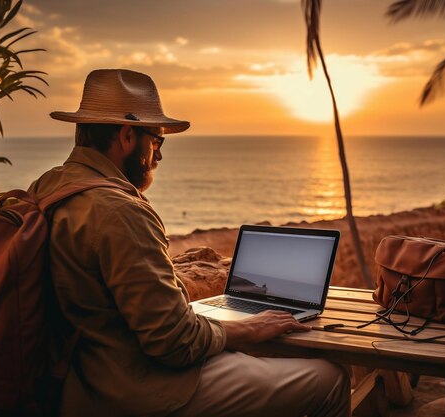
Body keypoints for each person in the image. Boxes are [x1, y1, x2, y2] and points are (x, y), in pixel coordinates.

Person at [29, 69, 350, 417]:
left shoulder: (46, 189)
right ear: (125, 136)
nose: (159, 156)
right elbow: (173, 343)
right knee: (329, 378)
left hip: (74, 381)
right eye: (156, 141)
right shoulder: (120, 211)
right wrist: (247, 328)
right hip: (138, 390)